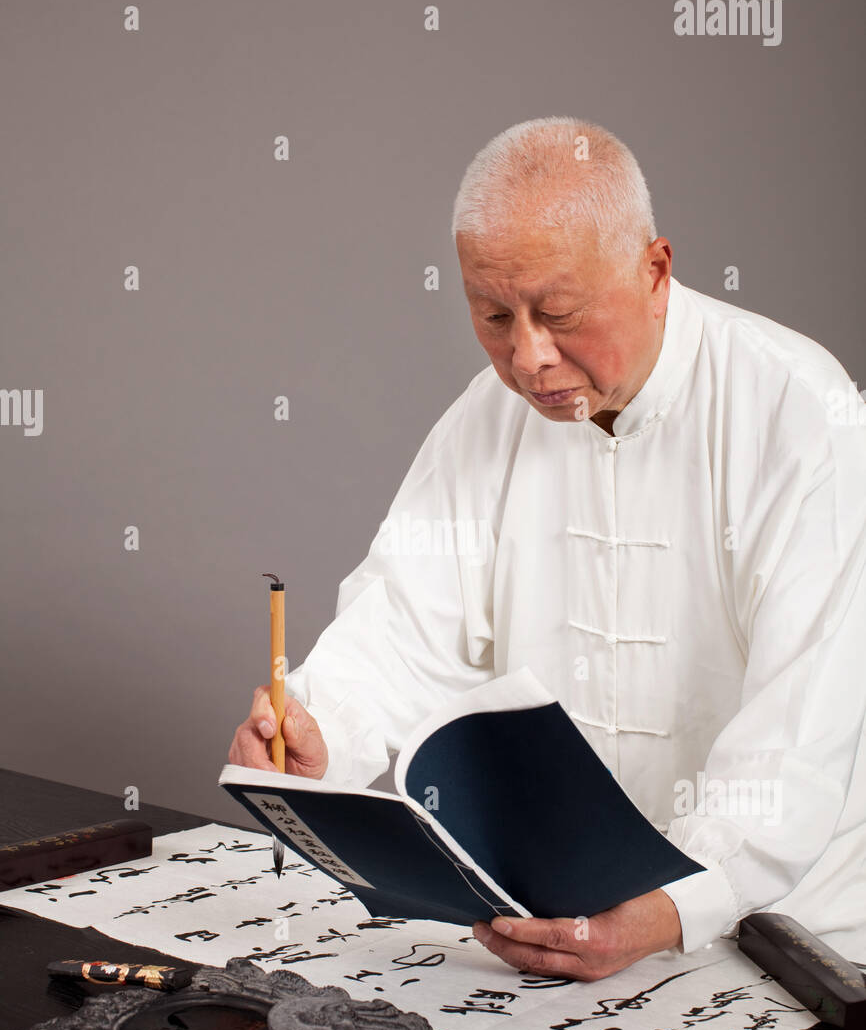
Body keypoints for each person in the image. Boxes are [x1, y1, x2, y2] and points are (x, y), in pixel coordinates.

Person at [229, 116, 866, 977]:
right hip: (557, 932)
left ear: (654, 271)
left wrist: (671, 906)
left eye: (559, 313)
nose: (528, 358)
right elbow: (406, 630)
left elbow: (795, 741)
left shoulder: (802, 415)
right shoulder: (486, 419)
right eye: (494, 315)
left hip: (788, 944)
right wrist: (321, 727)